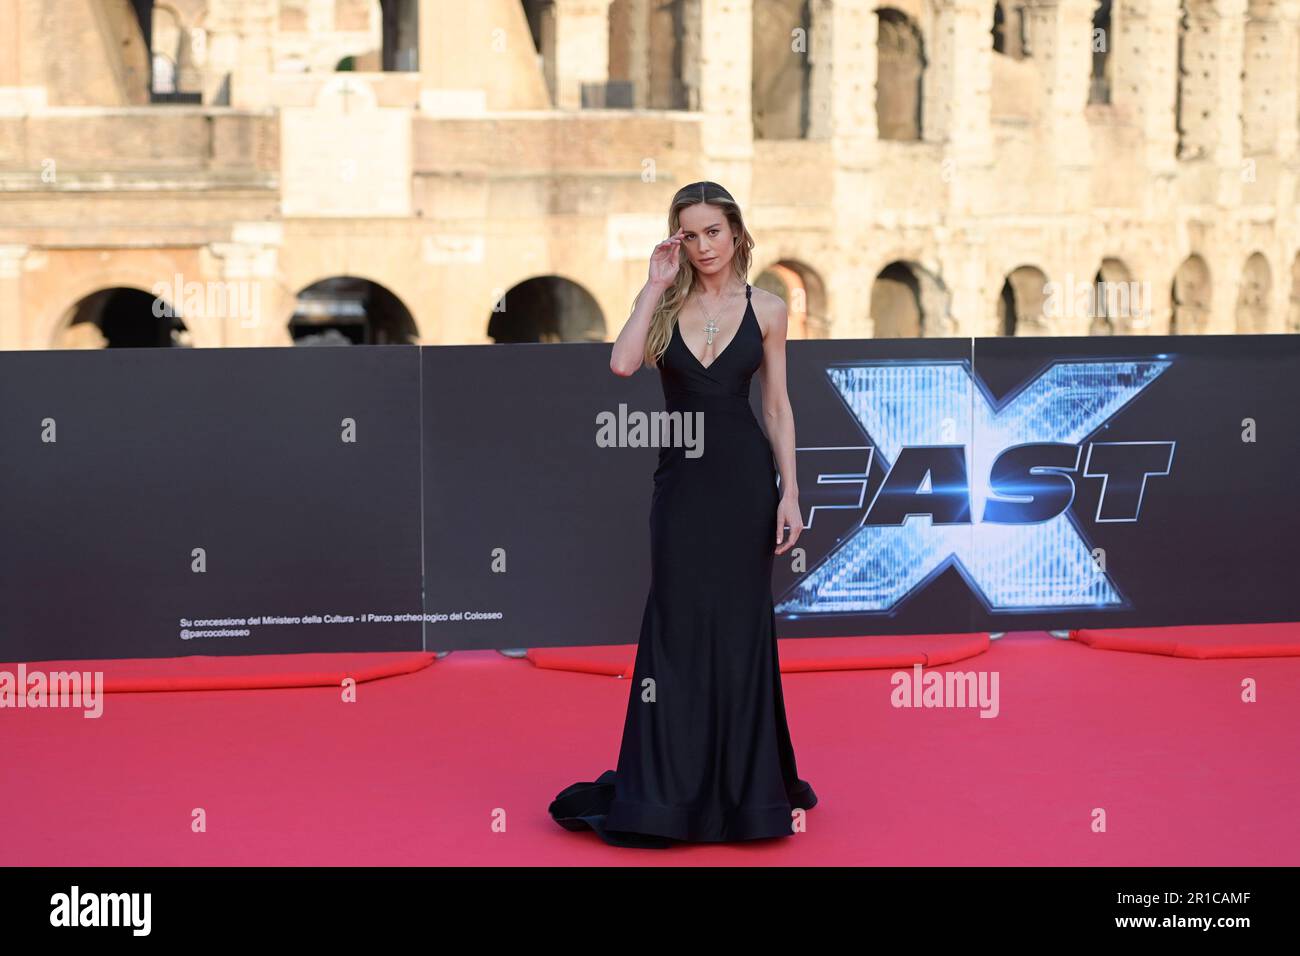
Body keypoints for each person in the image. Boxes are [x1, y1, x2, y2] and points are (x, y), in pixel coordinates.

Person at [547, 181, 818, 847]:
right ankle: (668, 792)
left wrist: (790, 491)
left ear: (736, 234)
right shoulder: (664, 305)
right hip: (682, 490)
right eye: (690, 234)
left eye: (713, 233)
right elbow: (621, 364)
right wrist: (650, 286)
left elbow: (777, 407)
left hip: (745, 487)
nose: (703, 247)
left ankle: (745, 792)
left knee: (739, 633)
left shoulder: (771, 310)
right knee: (675, 631)